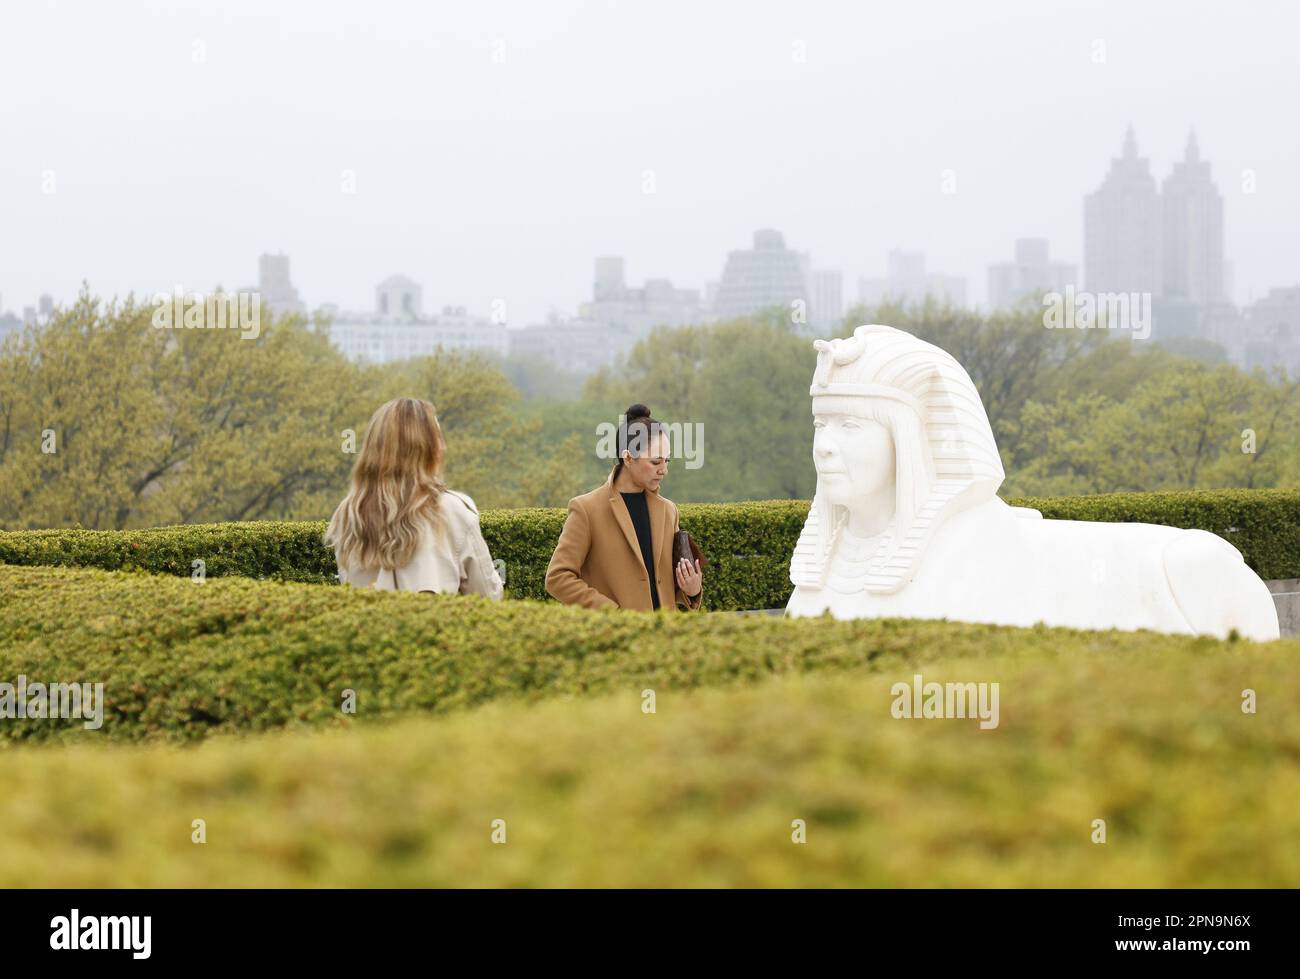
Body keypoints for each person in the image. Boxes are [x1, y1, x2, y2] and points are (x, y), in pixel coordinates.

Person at [325, 397, 503, 599]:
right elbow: (488, 596)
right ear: (428, 449)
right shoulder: (453, 510)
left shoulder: (349, 512)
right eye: (438, 437)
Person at [546, 404, 703, 611]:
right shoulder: (586, 509)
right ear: (628, 458)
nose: (664, 470)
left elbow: (665, 584)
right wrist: (612, 613)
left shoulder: (669, 510)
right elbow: (557, 578)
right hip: (615, 638)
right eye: (656, 462)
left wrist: (692, 590)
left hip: (663, 638)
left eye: (667, 460)